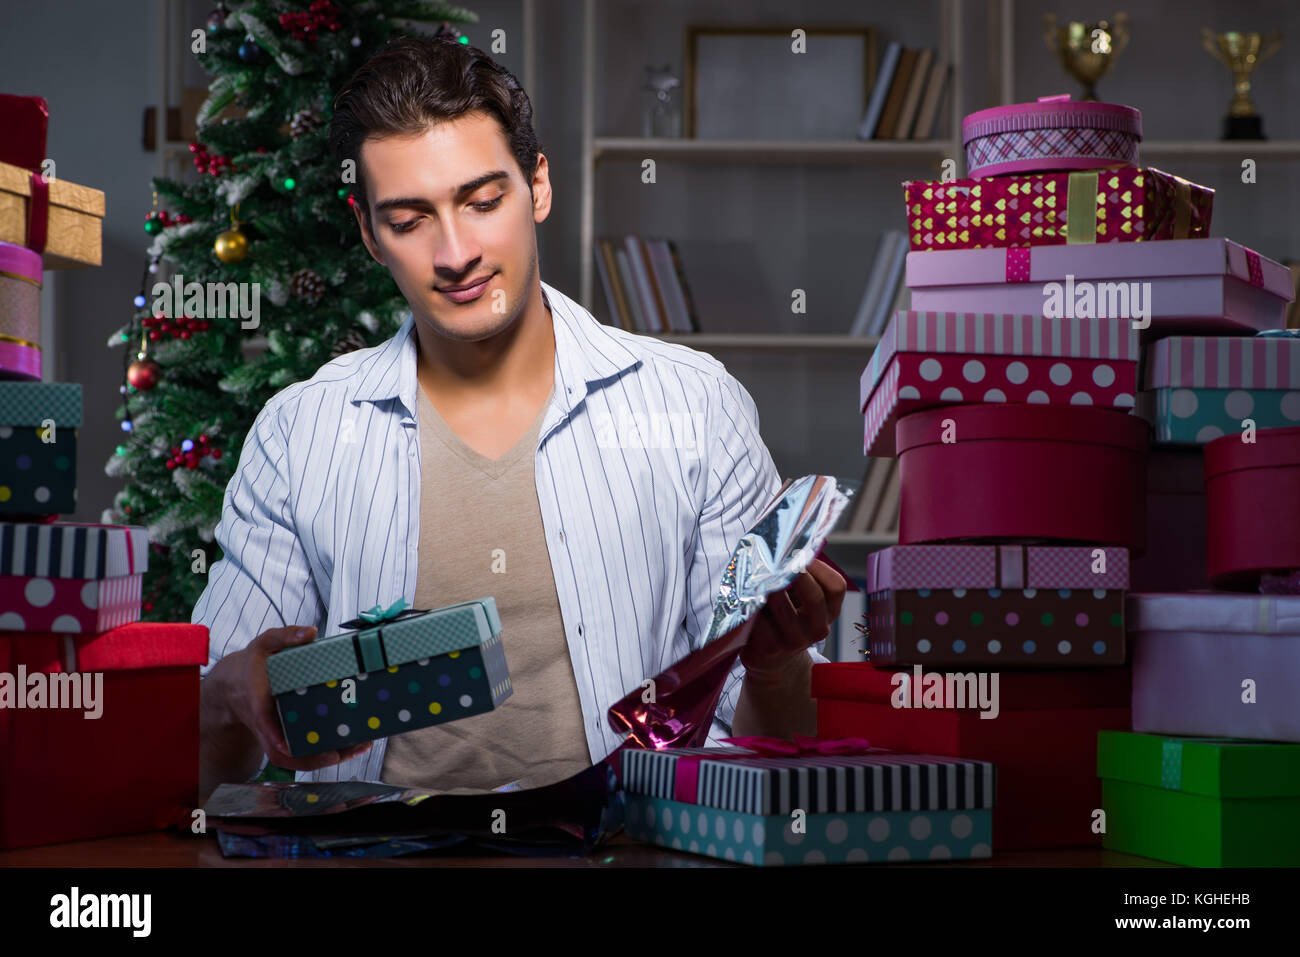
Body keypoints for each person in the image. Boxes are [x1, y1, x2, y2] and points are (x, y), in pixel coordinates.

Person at [193, 35, 845, 801]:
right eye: (409, 219)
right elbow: (207, 755)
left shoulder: (693, 407)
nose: (456, 251)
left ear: (537, 185)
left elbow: (775, 742)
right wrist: (235, 691)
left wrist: (775, 662)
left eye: (482, 200)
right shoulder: (298, 434)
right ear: (369, 233)